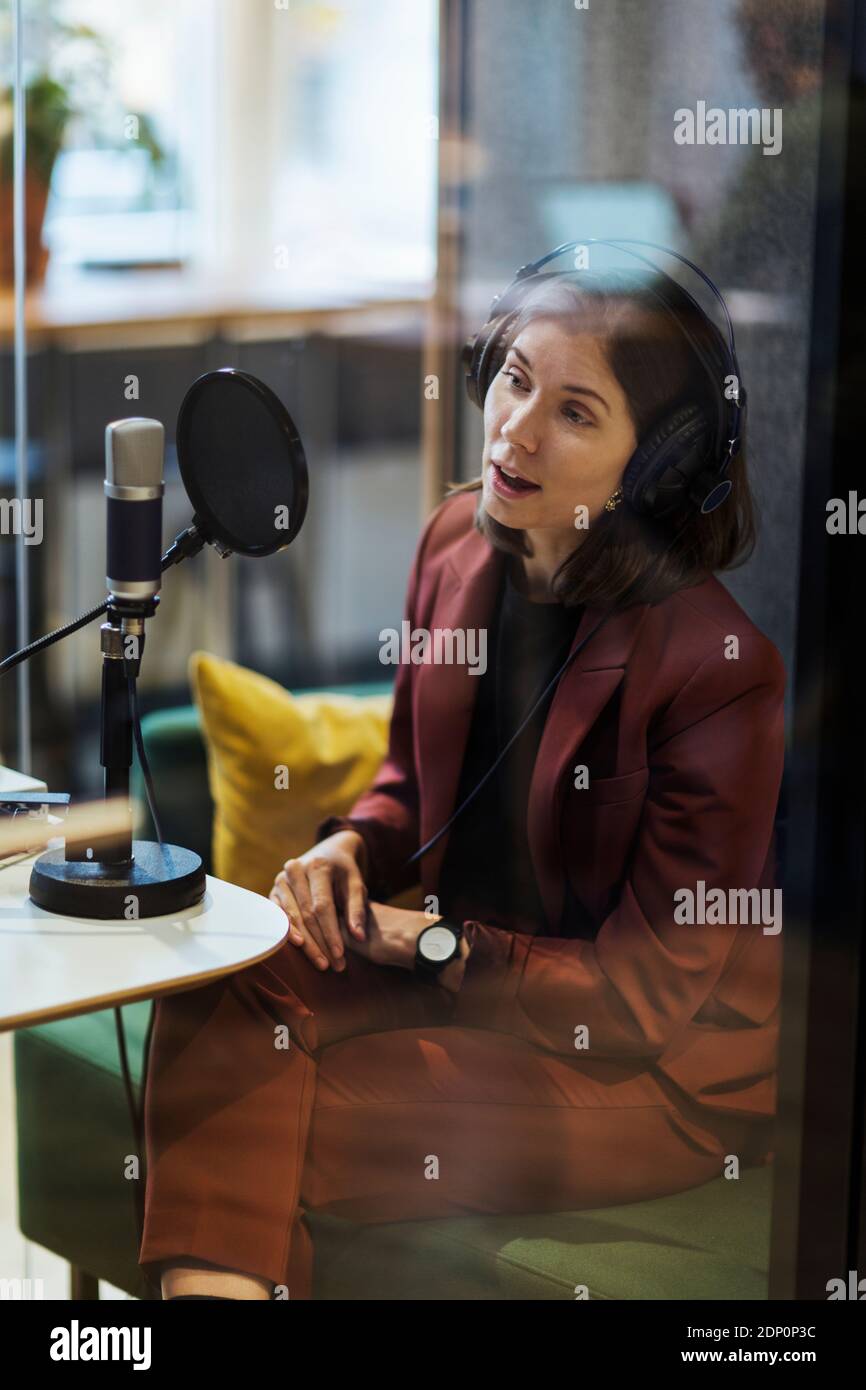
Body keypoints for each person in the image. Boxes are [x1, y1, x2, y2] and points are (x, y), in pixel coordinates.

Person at [139, 268, 786, 1300]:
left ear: (654, 468)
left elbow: (638, 1002)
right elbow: (408, 775)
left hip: (645, 1067)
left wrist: (428, 940)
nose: (515, 432)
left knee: (248, 1117)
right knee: (219, 984)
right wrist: (348, 846)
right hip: (470, 977)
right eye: (515, 380)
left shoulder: (718, 668)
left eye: (573, 411)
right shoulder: (454, 540)